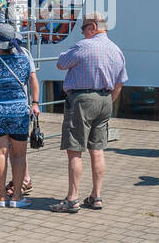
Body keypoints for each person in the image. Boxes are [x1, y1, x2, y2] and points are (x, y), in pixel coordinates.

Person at [52, 12, 127, 213]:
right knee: (98, 150)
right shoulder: (116, 50)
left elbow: (61, 64)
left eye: (83, 28)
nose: (83, 32)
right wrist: (108, 100)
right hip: (105, 100)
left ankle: (72, 198)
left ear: (93, 27)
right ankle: (96, 196)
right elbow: (120, 82)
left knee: (75, 150)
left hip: (82, 99)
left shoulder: (84, 46)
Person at [0, 22, 40, 207]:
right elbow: (30, 81)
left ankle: (1, 196)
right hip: (18, 111)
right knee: (19, 155)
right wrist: (35, 103)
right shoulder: (23, 60)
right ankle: (16, 197)